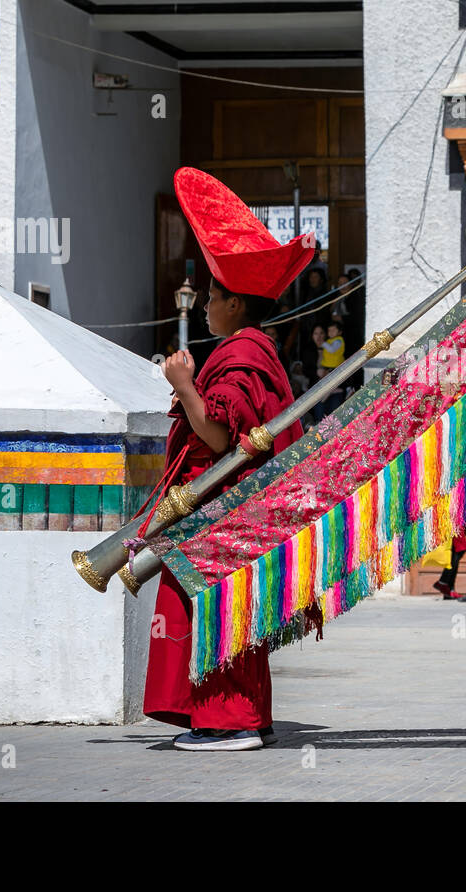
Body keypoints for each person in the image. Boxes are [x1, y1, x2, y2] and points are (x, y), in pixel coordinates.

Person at [143, 167, 309, 752]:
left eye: (213, 297)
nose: (206, 306)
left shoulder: (240, 353)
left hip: (219, 515)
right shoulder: (255, 347)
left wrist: (185, 385)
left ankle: (229, 722)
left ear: (235, 302)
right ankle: (235, 718)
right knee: (224, 610)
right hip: (225, 516)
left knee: (212, 610)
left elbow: (219, 439)